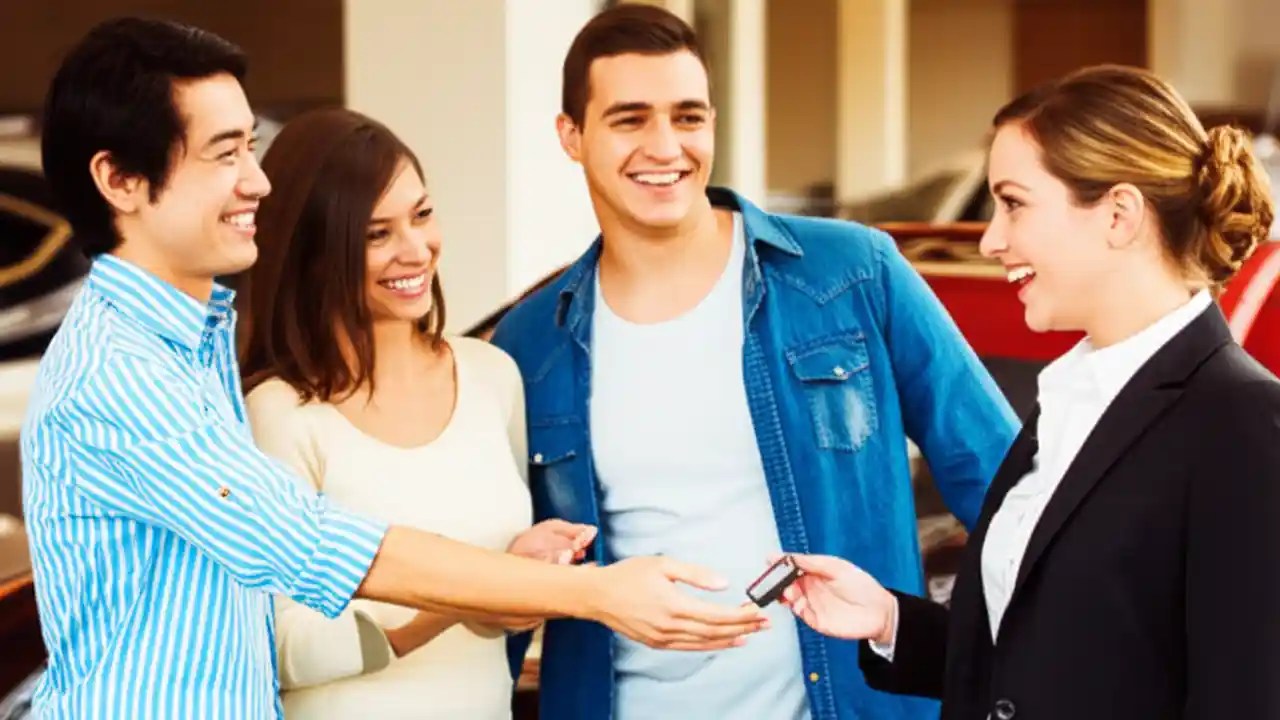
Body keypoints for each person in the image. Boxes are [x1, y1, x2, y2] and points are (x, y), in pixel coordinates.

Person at [21, 17, 766, 718]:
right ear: (119, 181)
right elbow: (312, 545)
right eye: (225, 154)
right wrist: (598, 593)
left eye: (251, 147)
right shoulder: (118, 376)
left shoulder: (192, 340)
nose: (259, 182)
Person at [489, 5, 1018, 720]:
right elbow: (498, 596)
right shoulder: (530, 343)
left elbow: (1006, 487)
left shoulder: (851, 273)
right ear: (571, 137)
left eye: (688, 116)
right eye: (629, 119)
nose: (666, 145)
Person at [777, 64, 1280, 720]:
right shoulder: (1074, 399)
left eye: (1013, 203)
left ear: (1120, 215)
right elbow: (1047, 660)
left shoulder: (1241, 422)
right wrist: (888, 618)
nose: (990, 239)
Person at [236, 107, 592, 719]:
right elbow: (277, 645)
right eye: (376, 235)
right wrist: (470, 592)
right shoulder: (278, 415)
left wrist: (519, 578)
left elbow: (490, 624)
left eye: (421, 215)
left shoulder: (490, 375)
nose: (415, 249)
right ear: (314, 253)